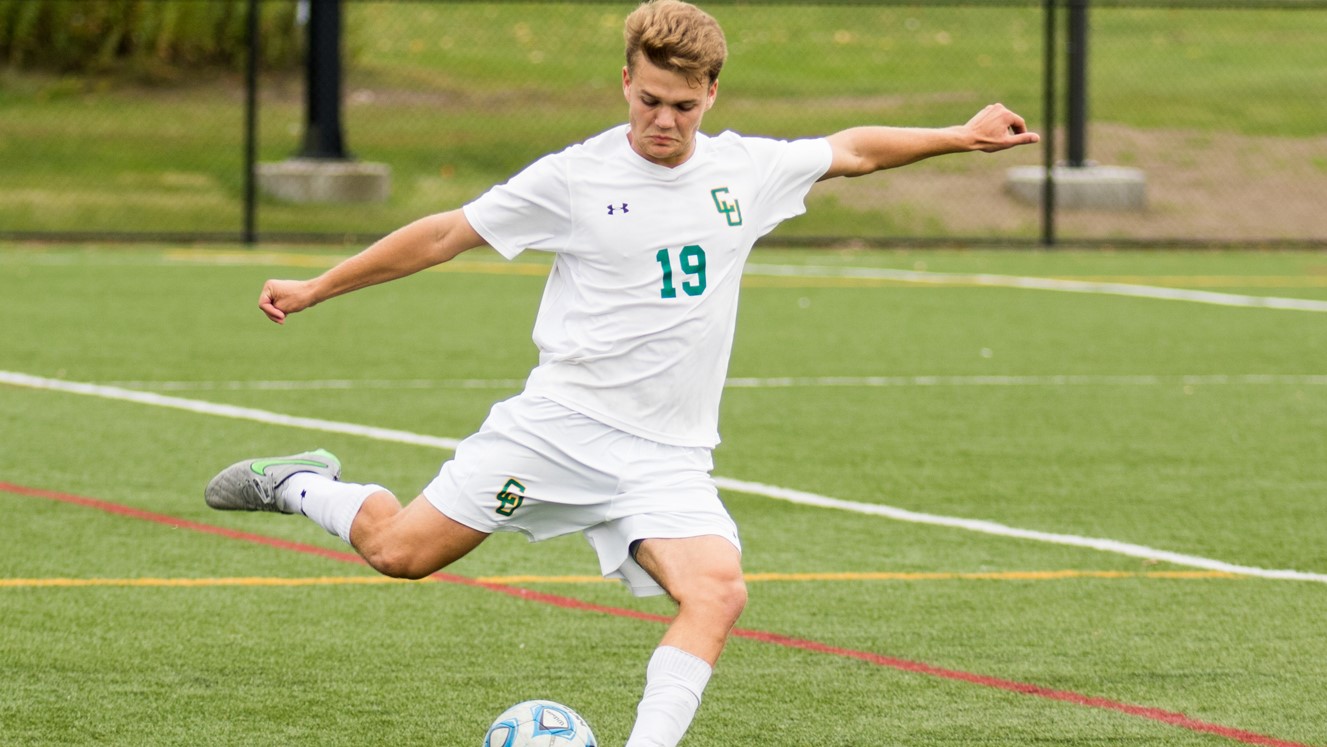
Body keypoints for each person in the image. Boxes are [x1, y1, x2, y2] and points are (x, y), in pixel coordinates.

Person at [204, 1, 1038, 744]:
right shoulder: (574, 177)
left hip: (667, 457)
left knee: (717, 593)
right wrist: (318, 285)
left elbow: (850, 149)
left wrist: (958, 136)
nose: (663, 122)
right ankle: (300, 482)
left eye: (681, 105)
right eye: (648, 101)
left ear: (711, 94)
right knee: (398, 552)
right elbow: (440, 235)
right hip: (556, 430)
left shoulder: (743, 171)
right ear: (624, 84)